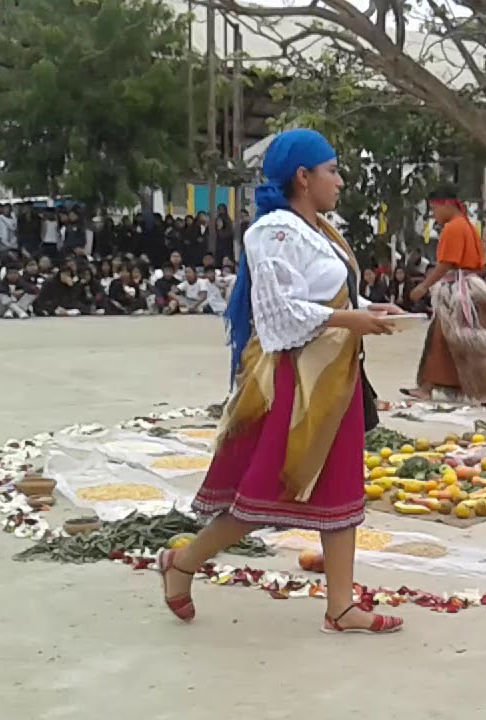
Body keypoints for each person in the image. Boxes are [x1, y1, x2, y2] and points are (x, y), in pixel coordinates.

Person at [159, 128, 405, 635]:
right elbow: (278, 314)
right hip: (293, 381)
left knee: (342, 490)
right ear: (303, 176)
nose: (339, 180)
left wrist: (367, 310)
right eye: (332, 170)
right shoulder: (272, 231)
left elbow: (328, 300)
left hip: (336, 376)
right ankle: (183, 562)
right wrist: (350, 321)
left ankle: (340, 607)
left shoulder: (321, 229)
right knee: (265, 494)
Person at [402, 185, 486, 404]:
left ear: (446, 204)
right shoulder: (465, 225)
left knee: (468, 340)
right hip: (468, 286)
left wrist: (424, 286)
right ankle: (428, 385)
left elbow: (446, 263)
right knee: (444, 338)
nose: (433, 214)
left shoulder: (454, 227)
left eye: (434, 209)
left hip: (461, 290)